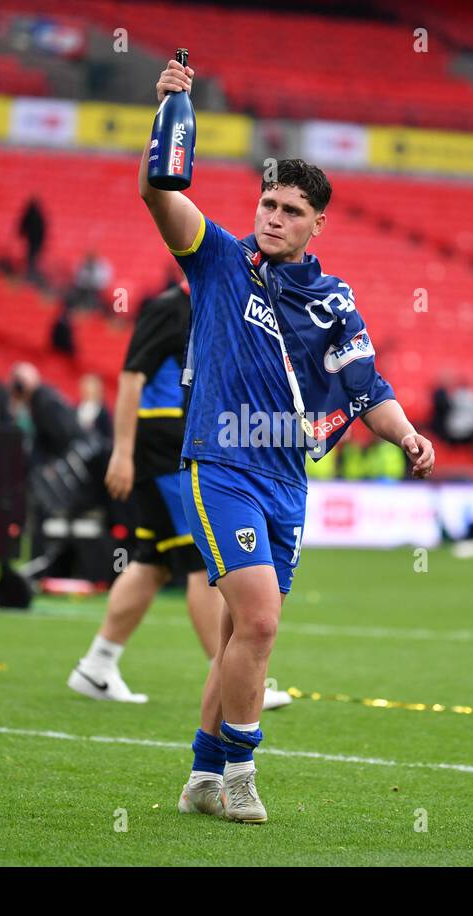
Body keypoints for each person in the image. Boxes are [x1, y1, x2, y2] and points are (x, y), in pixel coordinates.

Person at [139, 59, 435, 824]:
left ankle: (201, 779)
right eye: (267, 203)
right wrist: (171, 113)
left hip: (286, 479)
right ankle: (241, 772)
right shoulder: (218, 260)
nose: (272, 217)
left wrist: (407, 436)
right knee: (263, 621)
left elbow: (368, 387)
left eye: (290, 209)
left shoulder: (334, 301)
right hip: (220, 463)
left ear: (316, 224)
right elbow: (159, 194)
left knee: (242, 631)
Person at [66, 280, 292, 710]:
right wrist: (123, 452)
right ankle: (231, 677)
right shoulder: (170, 308)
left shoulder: (210, 309)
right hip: (161, 445)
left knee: (152, 562)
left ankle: (97, 665)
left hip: (179, 443)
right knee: (200, 560)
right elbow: (132, 375)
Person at [18, 197, 47, 283]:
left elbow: (22, 226)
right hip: (34, 242)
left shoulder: (31, 214)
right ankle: (31, 274)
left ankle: (31, 274)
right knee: (32, 258)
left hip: (33, 242)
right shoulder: (38, 216)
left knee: (32, 258)